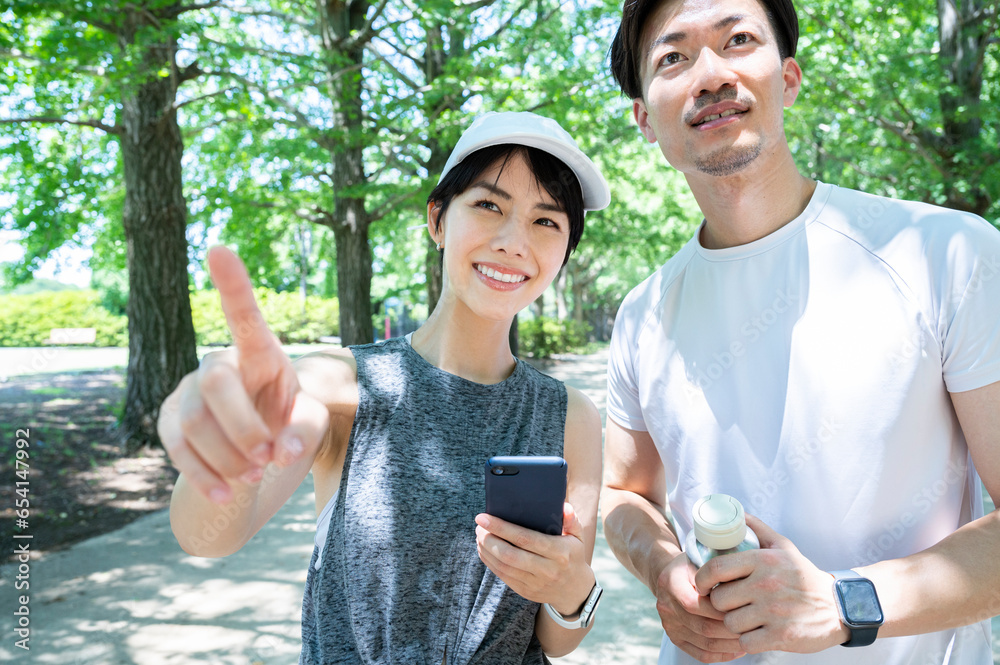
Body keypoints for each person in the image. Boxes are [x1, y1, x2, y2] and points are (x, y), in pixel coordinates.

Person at [600, 0, 1000, 664]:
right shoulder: (643, 312)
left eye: (737, 40)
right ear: (645, 117)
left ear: (787, 79)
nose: (710, 75)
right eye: (673, 57)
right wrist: (661, 569)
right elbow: (623, 491)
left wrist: (845, 602)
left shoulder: (946, 254)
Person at [158, 111, 611, 664]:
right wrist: (230, 451)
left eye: (547, 221)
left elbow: (556, 640)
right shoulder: (341, 383)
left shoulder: (572, 417)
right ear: (438, 220)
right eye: (489, 205)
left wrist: (570, 591)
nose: (515, 242)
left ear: (564, 252)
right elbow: (207, 538)